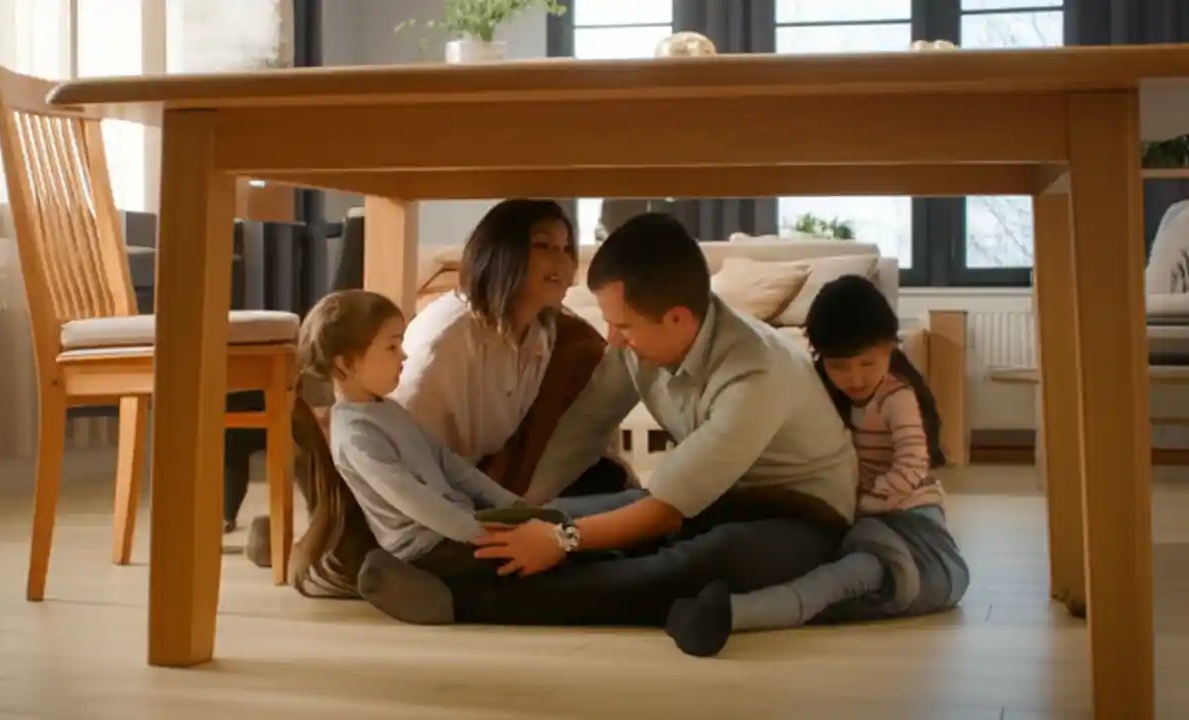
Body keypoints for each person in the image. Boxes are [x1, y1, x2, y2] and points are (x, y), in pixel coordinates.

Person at [355, 212, 860, 627]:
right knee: (573, 515)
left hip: (799, 515)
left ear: (678, 318)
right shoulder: (639, 345)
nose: (612, 340)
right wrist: (532, 512)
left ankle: (459, 604)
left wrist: (560, 540)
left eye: (623, 325)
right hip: (710, 497)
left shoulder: (757, 373)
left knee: (685, 565)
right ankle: (445, 569)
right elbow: (585, 425)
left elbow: (664, 511)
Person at [665, 275, 971, 656]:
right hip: (855, 512)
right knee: (816, 569)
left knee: (847, 578)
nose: (855, 378)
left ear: (891, 348)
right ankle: (725, 607)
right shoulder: (820, 390)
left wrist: (868, 503)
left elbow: (913, 463)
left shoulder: (897, 397)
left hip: (905, 517)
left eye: (867, 363)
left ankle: (732, 615)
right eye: (840, 366)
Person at [292, 289, 645, 602]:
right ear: (344, 364)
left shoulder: (387, 410)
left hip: (459, 526)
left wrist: (510, 505)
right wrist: (478, 533)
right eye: (391, 346)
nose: (404, 356)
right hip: (428, 548)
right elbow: (415, 501)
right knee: (553, 565)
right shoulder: (355, 436)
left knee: (554, 522)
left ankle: (628, 549)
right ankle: (421, 590)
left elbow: (448, 463)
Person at [391, 199, 630, 497]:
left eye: (565, 247)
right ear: (502, 253)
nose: (560, 260)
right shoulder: (446, 341)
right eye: (543, 246)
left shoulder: (542, 332)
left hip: (480, 486)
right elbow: (398, 453)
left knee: (609, 485)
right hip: (426, 496)